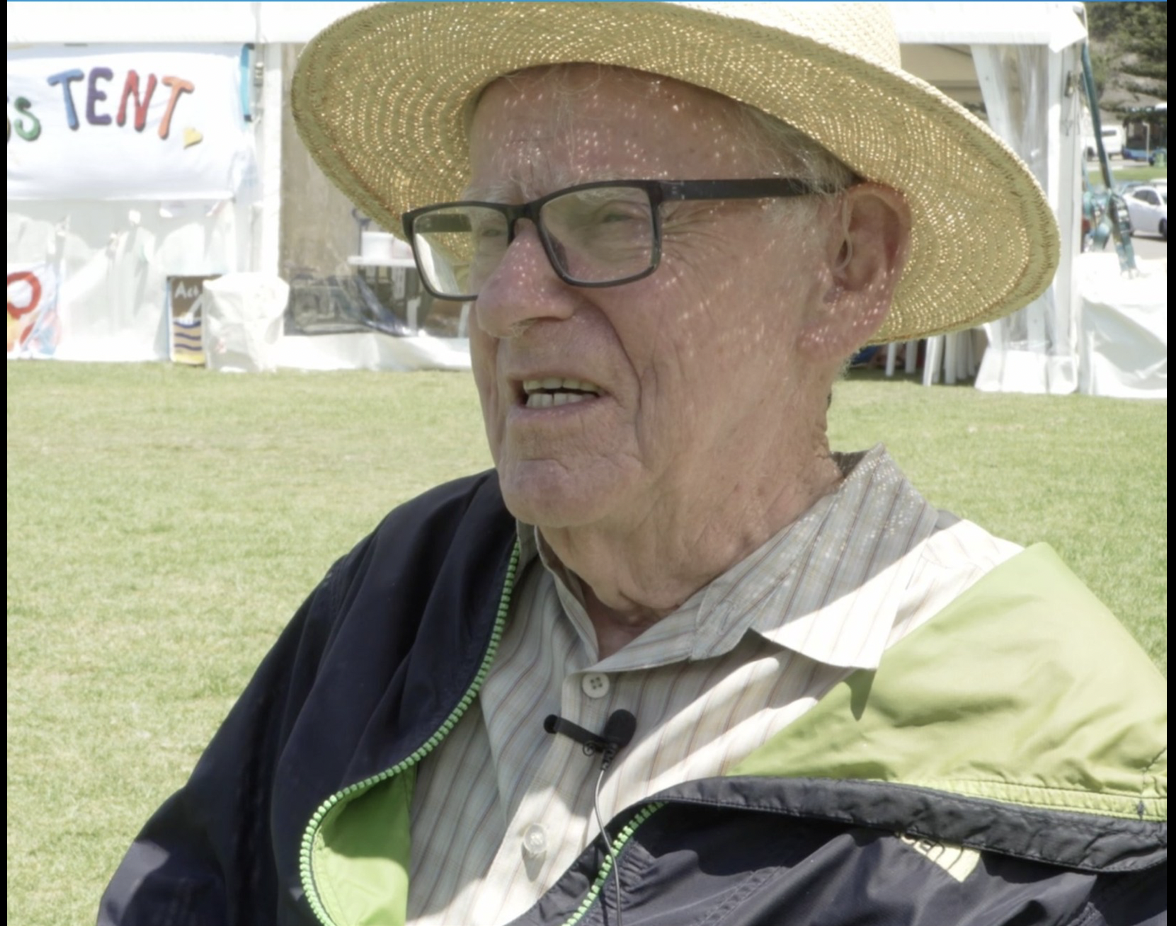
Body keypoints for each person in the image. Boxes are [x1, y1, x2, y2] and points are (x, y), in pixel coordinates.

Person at [99, 4, 1166, 925]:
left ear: (850, 262)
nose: (508, 301)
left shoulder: (1071, 789)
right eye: (484, 230)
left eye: (613, 217)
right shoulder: (409, 585)